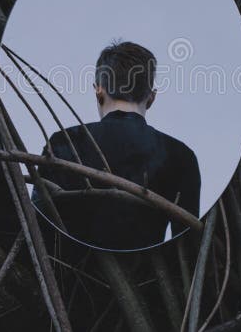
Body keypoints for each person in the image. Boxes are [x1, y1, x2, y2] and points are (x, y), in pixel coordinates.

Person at [31, 41, 201, 250]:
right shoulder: (181, 156)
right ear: (151, 97)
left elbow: (38, 225)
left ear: (99, 91)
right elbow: (187, 245)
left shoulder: (62, 142)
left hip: (62, 277)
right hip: (143, 279)